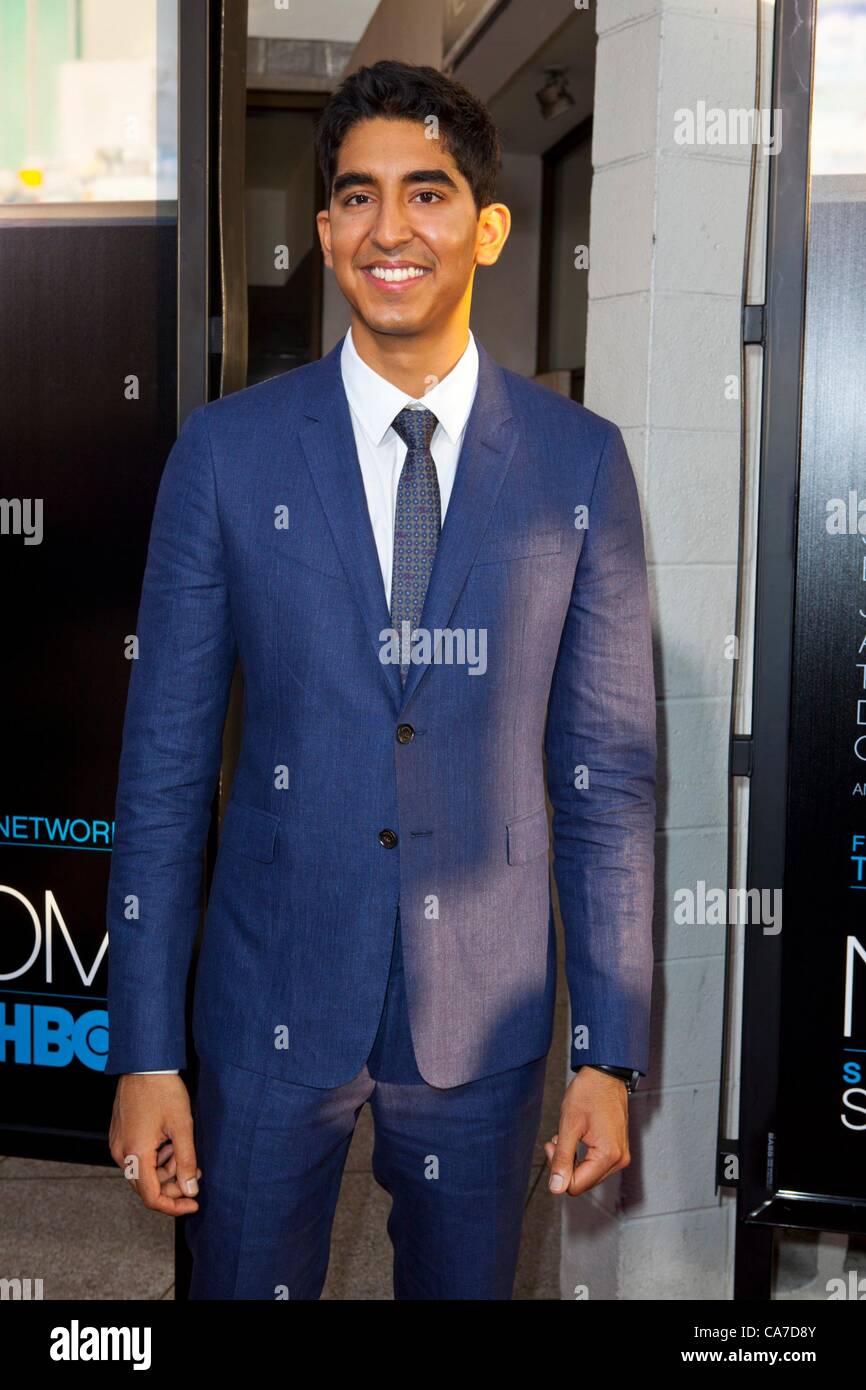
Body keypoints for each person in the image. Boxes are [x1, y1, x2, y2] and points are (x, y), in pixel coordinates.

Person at [105, 59, 656, 1301]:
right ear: (322, 231)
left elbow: (609, 780)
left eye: (428, 193)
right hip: (265, 998)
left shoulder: (579, 463)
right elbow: (164, 773)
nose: (389, 229)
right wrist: (144, 1050)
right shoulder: (227, 454)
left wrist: (605, 1055)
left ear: (488, 227)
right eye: (357, 197)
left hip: (490, 1015)